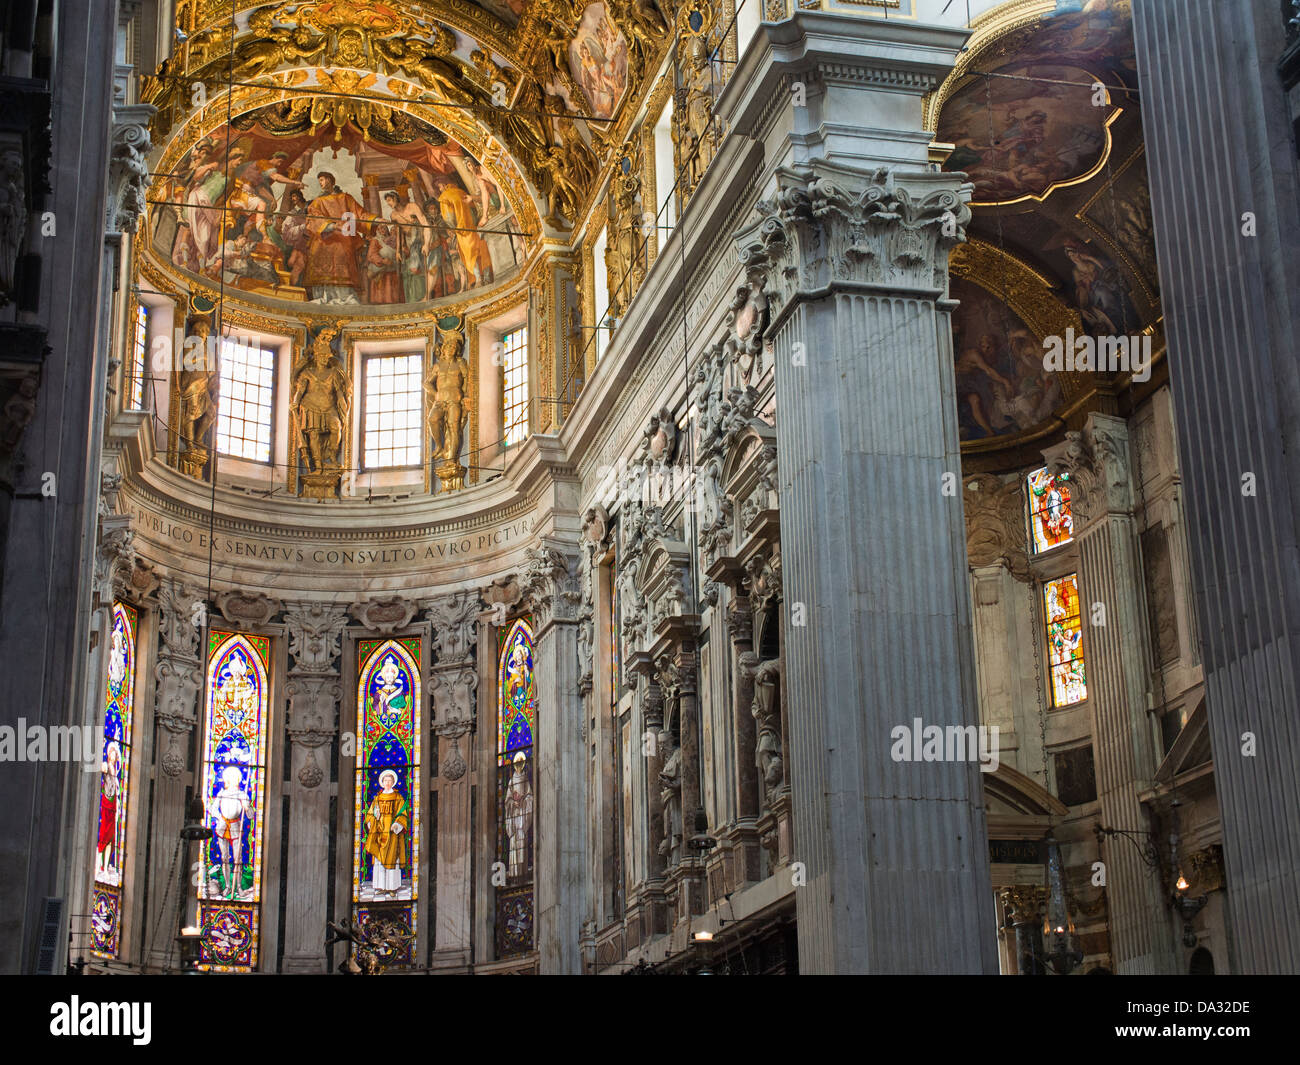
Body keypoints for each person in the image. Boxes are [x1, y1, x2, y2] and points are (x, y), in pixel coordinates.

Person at [305, 171, 364, 303]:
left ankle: (345, 298)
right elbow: (312, 217)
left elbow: (359, 214)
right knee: (322, 267)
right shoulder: (318, 201)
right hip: (324, 241)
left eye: (322, 179)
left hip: (342, 240)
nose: (320, 183)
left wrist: (376, 219)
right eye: (319, 180)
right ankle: (325, 298)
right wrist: (331, 226)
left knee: (342, 264)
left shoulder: (345, 198)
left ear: (330, 180)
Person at [364, 769, 408, 896]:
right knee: (380, 859)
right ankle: (381, 886)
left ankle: (392, 887)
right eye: (385, 781)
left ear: (393, 782)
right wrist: (372, 820)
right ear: (382, 782)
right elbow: (370, 814)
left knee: (392, 859)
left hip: (392, 832)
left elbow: (402, 815)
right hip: (378, 831)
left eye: (390, 781)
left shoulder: (398, 797)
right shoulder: (377, 798)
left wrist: (397, 824)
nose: (388, 783)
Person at [209, 765, 251, 899]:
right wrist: (220, 817)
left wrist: (247, 807)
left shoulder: (242, 794)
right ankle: (228, 886)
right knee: (224, 858)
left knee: (237, 859)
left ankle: (238, 887)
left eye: (232, 778)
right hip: (223, 827)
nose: (229, 781)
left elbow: (250, 815)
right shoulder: (221, 794)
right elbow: (212, 808)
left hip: (235, 827)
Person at [503, 752, 533, 878]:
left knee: (522, 841)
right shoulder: (511, 781)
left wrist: (523, 801)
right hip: (514, 814)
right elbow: (507, 800)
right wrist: (512, 802)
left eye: (521, 763)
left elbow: (530, 796)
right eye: (517, 763)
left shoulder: (525, 779)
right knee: (514, 843)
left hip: (522, 814)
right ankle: (514, 871)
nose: (519, 766)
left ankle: (523, 870)